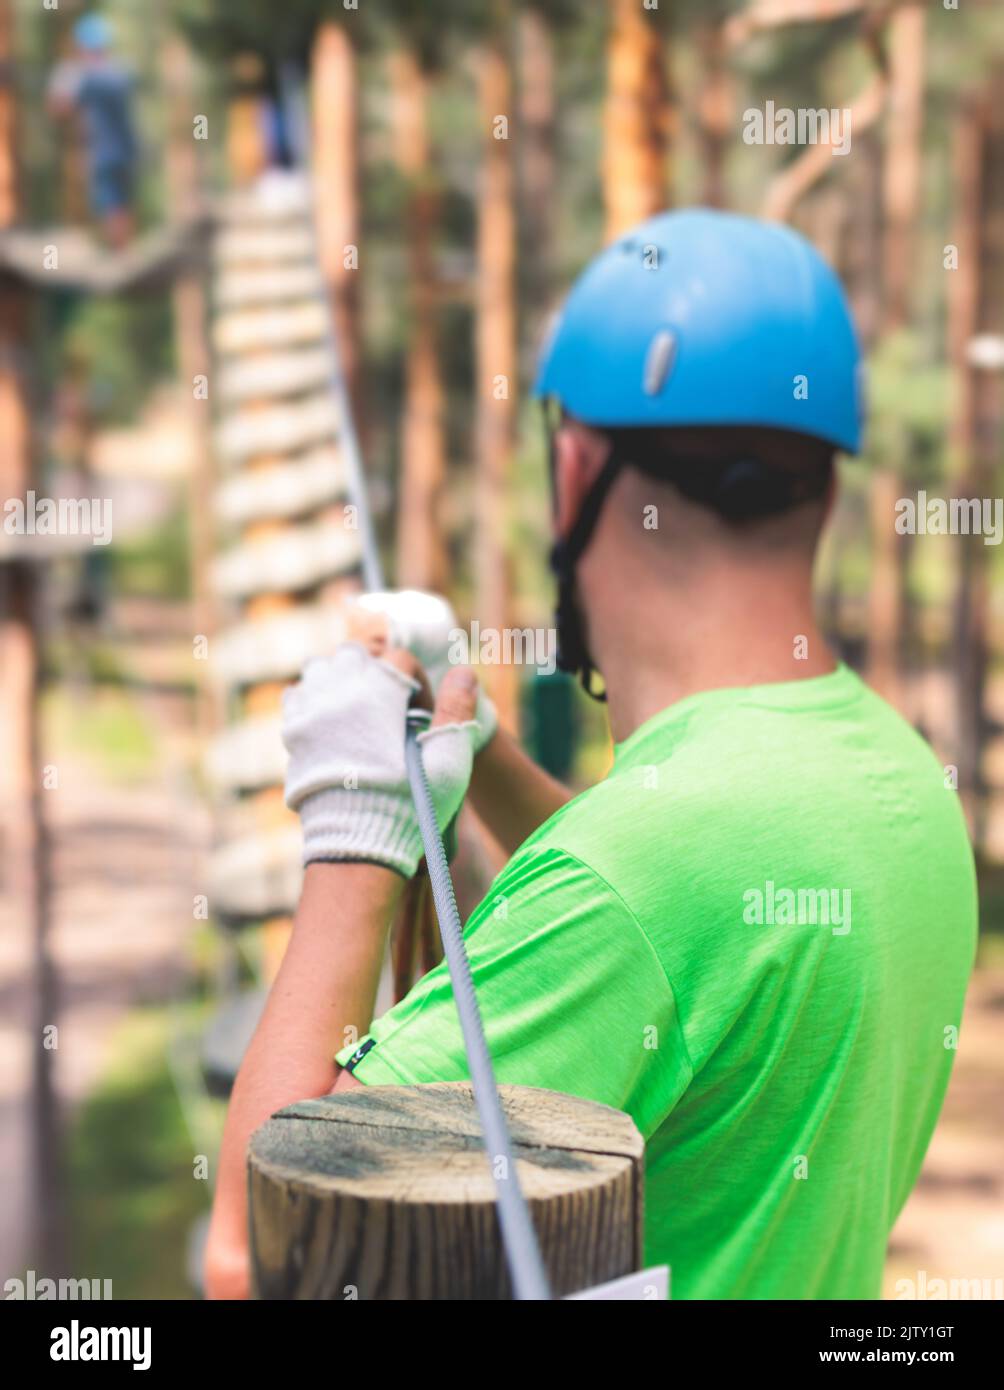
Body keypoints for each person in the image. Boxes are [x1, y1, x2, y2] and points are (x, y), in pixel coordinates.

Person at [205, 208, 977, 1300]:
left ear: (573, 473)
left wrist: (348, 833)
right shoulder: (891, 775)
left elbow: (257, 1254)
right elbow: (681, 920)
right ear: (827, 486)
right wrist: (485, 759)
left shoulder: (635, 879)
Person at [47, 13, 137, 248]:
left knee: (110, 202)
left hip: (102, 150)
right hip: (125, 149)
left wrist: (63, 81)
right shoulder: (119, 72)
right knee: (120, 201)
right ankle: (121, 251)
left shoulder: (86, 76)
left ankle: (117, 252)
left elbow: (60, 107)